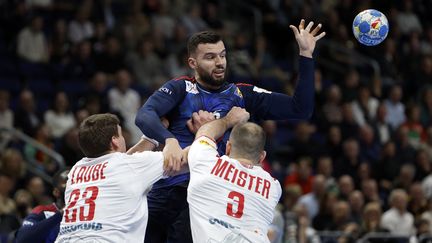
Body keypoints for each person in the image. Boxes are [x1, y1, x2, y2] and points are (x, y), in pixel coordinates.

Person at [135, 20, 325, 242]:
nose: (219, 63)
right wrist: (170, 141)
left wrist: (305, 55)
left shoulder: (242, 95)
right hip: (162, 191)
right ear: (192, 63)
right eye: (210, 57)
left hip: (203, 196)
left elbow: (300, 109)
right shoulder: (180, 88)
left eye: (222, 55)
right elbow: (144, 116)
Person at [54, 113, 172, 243]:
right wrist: (198, 134)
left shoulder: (76, 169)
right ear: (115, 140)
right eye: (120, 135)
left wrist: (151, 137)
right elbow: (181, 159)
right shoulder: (128, 166)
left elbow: (122, 165)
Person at [187, 106, 281, 242]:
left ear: (228, 147)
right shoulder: (274, 187)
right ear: (262, 157)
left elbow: (205, 132)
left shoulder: (206, 163)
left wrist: (228, 120)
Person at [15, 169, 69, 243]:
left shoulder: (88, 211)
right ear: (56, 192)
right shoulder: (43, 212)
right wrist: (60, 215)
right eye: (68, 186)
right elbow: (22, 239)